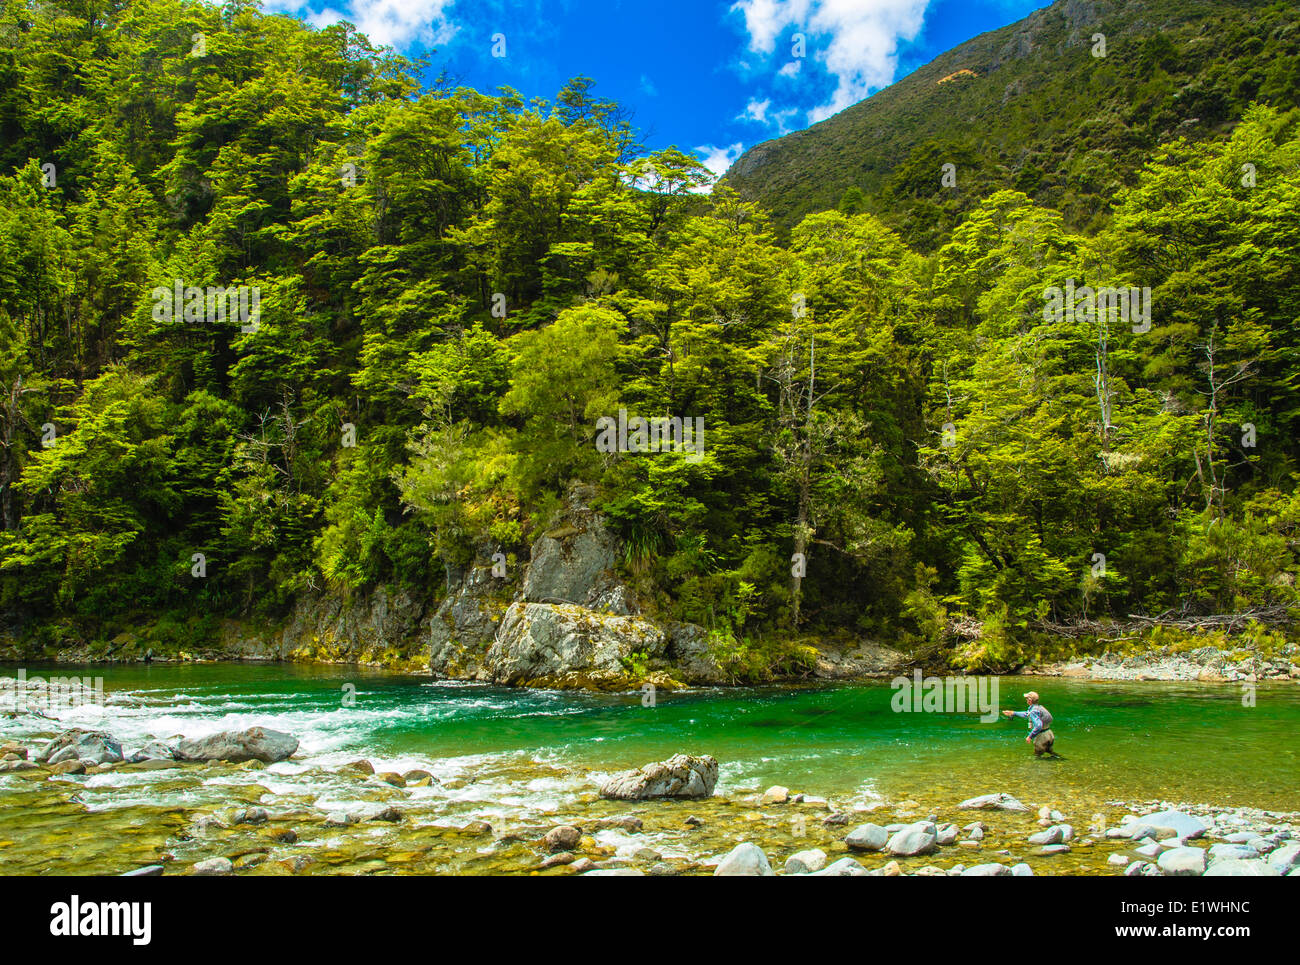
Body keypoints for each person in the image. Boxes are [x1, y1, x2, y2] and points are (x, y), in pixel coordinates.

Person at [1001, 691, 1057, 757]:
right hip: (1049, 734)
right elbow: (1026, 714)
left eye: (1026, 699)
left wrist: (1030, 736)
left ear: (1030, 700)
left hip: (1042, 737)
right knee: (1050, 752)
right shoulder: (1039, 707)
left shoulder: (1033, 711)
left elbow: (1038, 726)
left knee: (1037, 756)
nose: (1026, 700)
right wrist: (1013, 713)